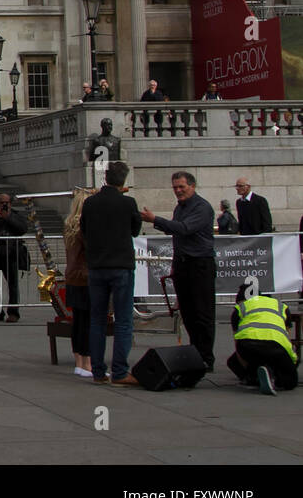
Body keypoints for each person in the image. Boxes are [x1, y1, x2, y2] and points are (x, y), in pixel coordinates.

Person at [141, 170, 217, 371]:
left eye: (181, 187)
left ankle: (206, 357)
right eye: (175, 187)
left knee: (203, 313)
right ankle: (195, 352)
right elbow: (176, 230)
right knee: (189, 312)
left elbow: (184, 228)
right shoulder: (180, 207)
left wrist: (155, 219)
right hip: (183, 263)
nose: (178, 191)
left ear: (192, 186)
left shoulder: (202, 207)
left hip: (200, 264)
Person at [80, 161, 143, 384]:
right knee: (123, 320)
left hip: (97, 266)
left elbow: (84, 230)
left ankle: (98, 372)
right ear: (123, 181)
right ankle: (119, 371)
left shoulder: (90, 203)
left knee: (97, 319)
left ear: (105, 179)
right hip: (121, 265)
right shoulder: (128, 203)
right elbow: (135, 230)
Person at [226, 283, 297, 394]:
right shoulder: (281, 306)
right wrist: (292, 362)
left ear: (241, 299)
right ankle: (275, 377)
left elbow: (237, 344)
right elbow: (286, 339)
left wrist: (248, 371)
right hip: (277, 346)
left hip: (248, 345)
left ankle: (255, 378)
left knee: (233, 362)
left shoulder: (240, 308)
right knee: (290, 383)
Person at [0, 194, 30, 322]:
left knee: (13, 285)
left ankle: (13, 312)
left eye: (6, 202)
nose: (4, 205)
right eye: (2, 202)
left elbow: (22, 229)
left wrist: (8, 217)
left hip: (10, 254)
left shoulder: (16, 216)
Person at [62, 188, 93, 378]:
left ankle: (79, 361)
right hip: (85, 276)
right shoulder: (85, 227)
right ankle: (87, 362)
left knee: (78, 321)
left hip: (72, 276)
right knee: (88, 321)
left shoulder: (69, 225)